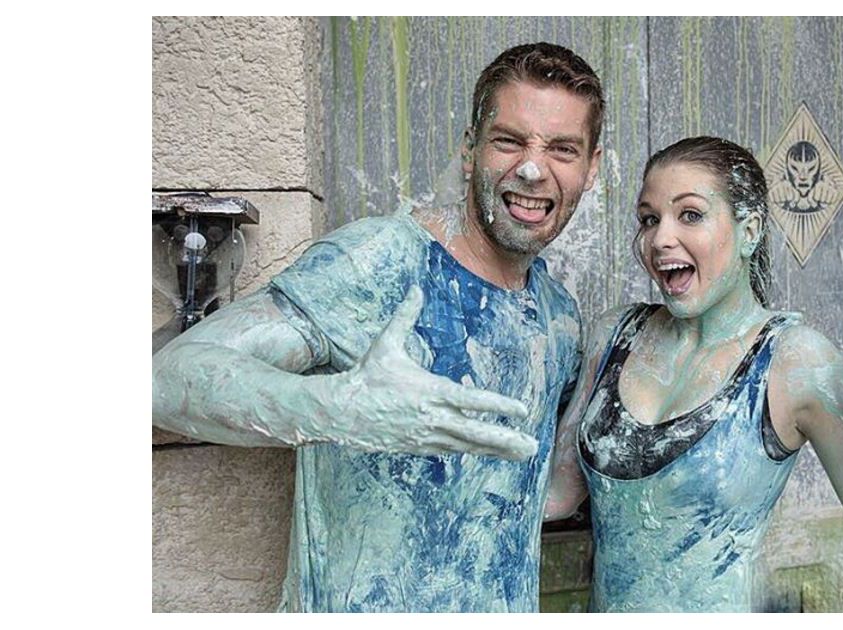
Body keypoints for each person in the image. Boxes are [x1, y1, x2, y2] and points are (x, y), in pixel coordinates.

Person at [153, 42, 604, 612]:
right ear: (470, 151)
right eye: (509, 141)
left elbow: (520, 494)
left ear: (591, 169)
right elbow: (167, 379)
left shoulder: (559, 316)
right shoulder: (382, 260)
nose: (534, 169)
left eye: (562, 149)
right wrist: (334, 408)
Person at [544, 136, 843, 612]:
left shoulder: (792, 359)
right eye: (649, 219)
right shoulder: (614, 335)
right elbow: (559, 494)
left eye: (690, 215)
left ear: (749, 231)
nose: (661, 238)